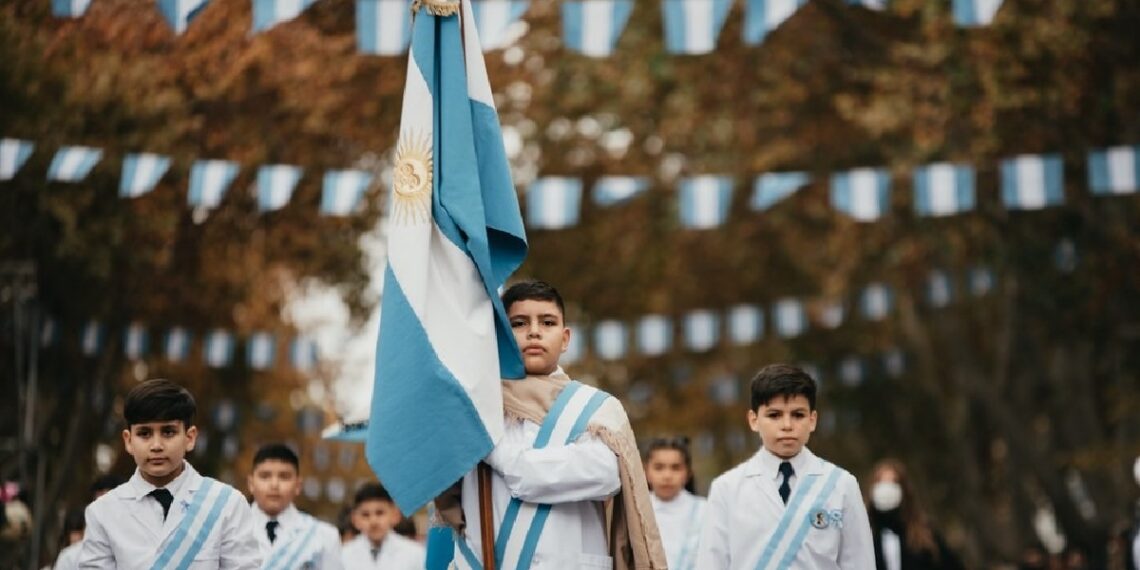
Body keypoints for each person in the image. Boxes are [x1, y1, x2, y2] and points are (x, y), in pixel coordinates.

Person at [434, 280, 666, 569]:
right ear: (501, 336)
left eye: (547, 322)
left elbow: (605, 475)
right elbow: (442, 481)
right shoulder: (473, 408)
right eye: (518, 323)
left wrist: (497, 451)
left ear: (565, 338)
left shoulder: (596, 409)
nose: (534, 331)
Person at [696, 363, 874, 569]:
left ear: (813, 420)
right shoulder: (727, 488)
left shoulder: (841, 485)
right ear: (753, 420)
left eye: (798, 415)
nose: (787, 425)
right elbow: (711, 564)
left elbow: (860, 563)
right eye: (774, 415)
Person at [78, 378, 261, 569]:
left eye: (168, 432)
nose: (156, 446)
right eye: (144, 433)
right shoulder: (103, 512)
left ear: (190, 438)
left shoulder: (227, 504)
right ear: (128, 441)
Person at [247, 444, 341, 569]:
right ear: (251, 483)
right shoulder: (232, 529)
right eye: (265, 476)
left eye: (284, 477)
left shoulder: (323, 535)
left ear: (298, 485)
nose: (274, 485)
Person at [866, 458, 963, 570]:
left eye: (893, 482)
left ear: (904, 490)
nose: (886, 488)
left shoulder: (924, 535)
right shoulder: (863, 537)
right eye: (881, 482)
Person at [645, 435, 705, 570]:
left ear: (688, 473)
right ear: (646, 471)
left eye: (675, 468)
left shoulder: (704, 511)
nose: (667, 476)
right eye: (659, 467)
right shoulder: (635, 511)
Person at [341, 483, 424, 569]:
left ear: (395, 515)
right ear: (355, 519)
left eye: (380, 513)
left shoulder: (415, 553)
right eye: (365, 515)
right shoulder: (343, 555)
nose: (373, 521)